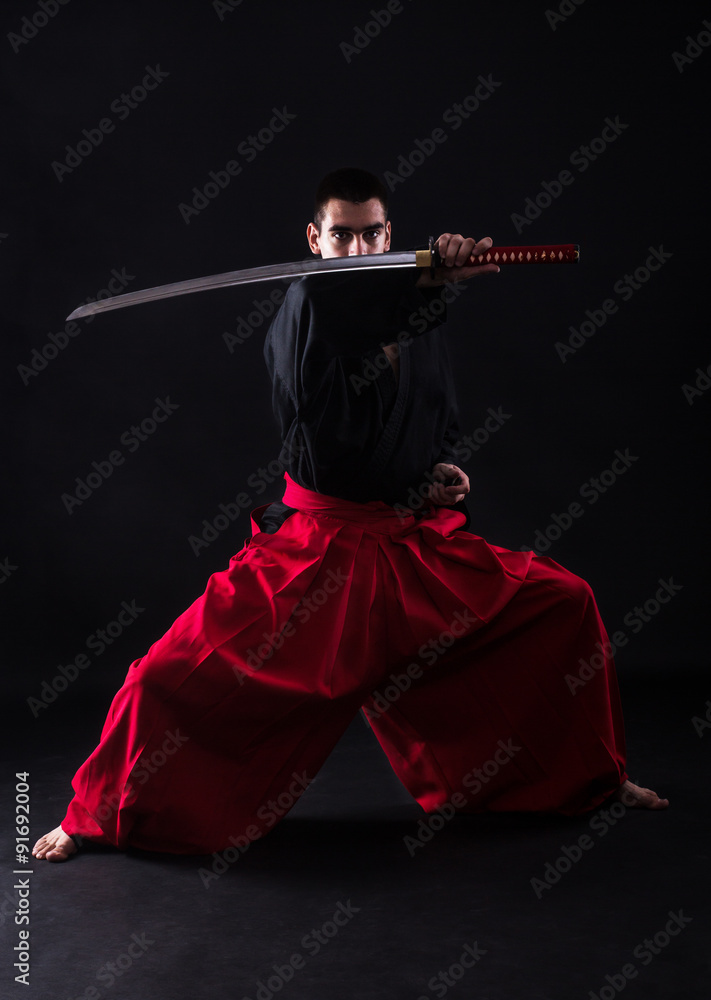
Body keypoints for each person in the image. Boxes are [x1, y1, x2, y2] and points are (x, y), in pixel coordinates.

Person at [33, 168, 667, 862]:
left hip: (404, 546)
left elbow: (428, 425)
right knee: (169, 675)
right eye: (343, 235)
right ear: (315, 238)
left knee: (560, 603)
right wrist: (425, 287)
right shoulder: (306, 309)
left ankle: (593, 781)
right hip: (319, 556)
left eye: (373, 233)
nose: (360, 248)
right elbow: (344, 362)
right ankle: (93, 815)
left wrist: (434, 479)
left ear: (390, 233)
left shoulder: (419, 324)